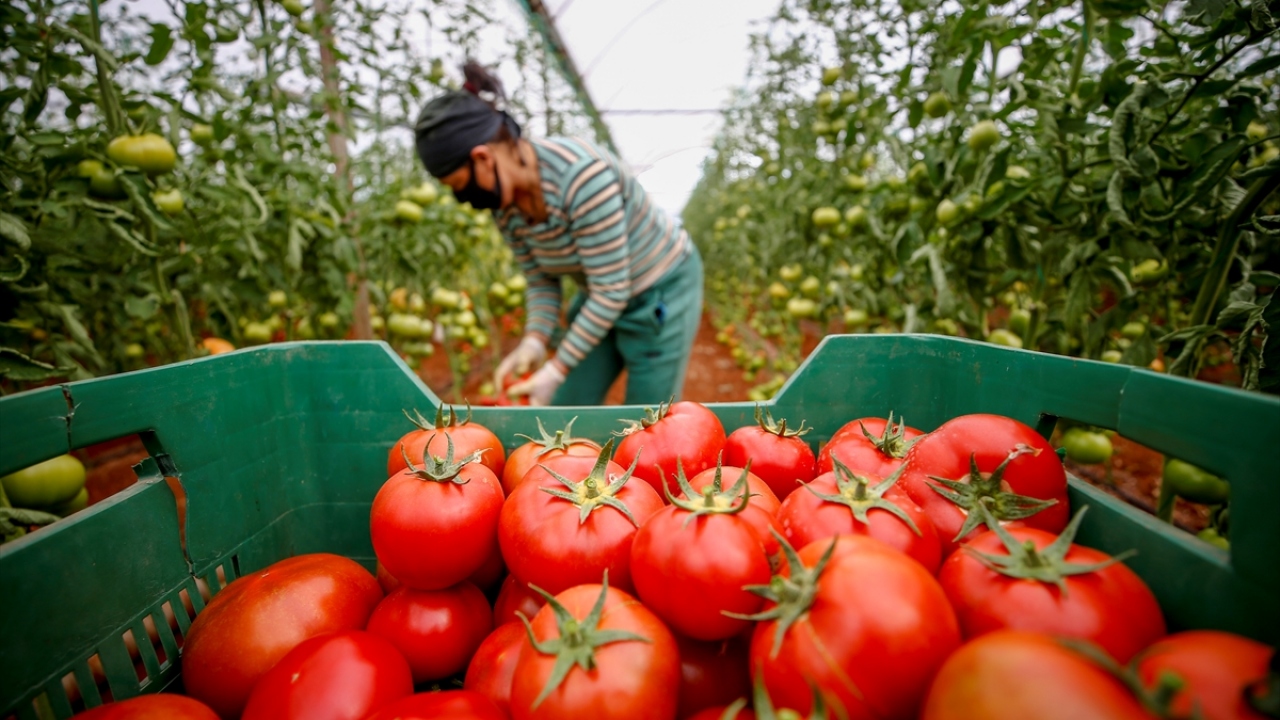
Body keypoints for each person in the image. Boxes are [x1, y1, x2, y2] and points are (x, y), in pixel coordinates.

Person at [413, 62, 704, 406]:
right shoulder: (505, 207)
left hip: (658, 290)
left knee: (649, 418)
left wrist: (557, 368)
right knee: (569, 405)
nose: (468, 201)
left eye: (463, 188)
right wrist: (535, 339)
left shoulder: (582, 177)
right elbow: (541, 278)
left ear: (483, 157)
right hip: (599, 293)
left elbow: (612, 289)